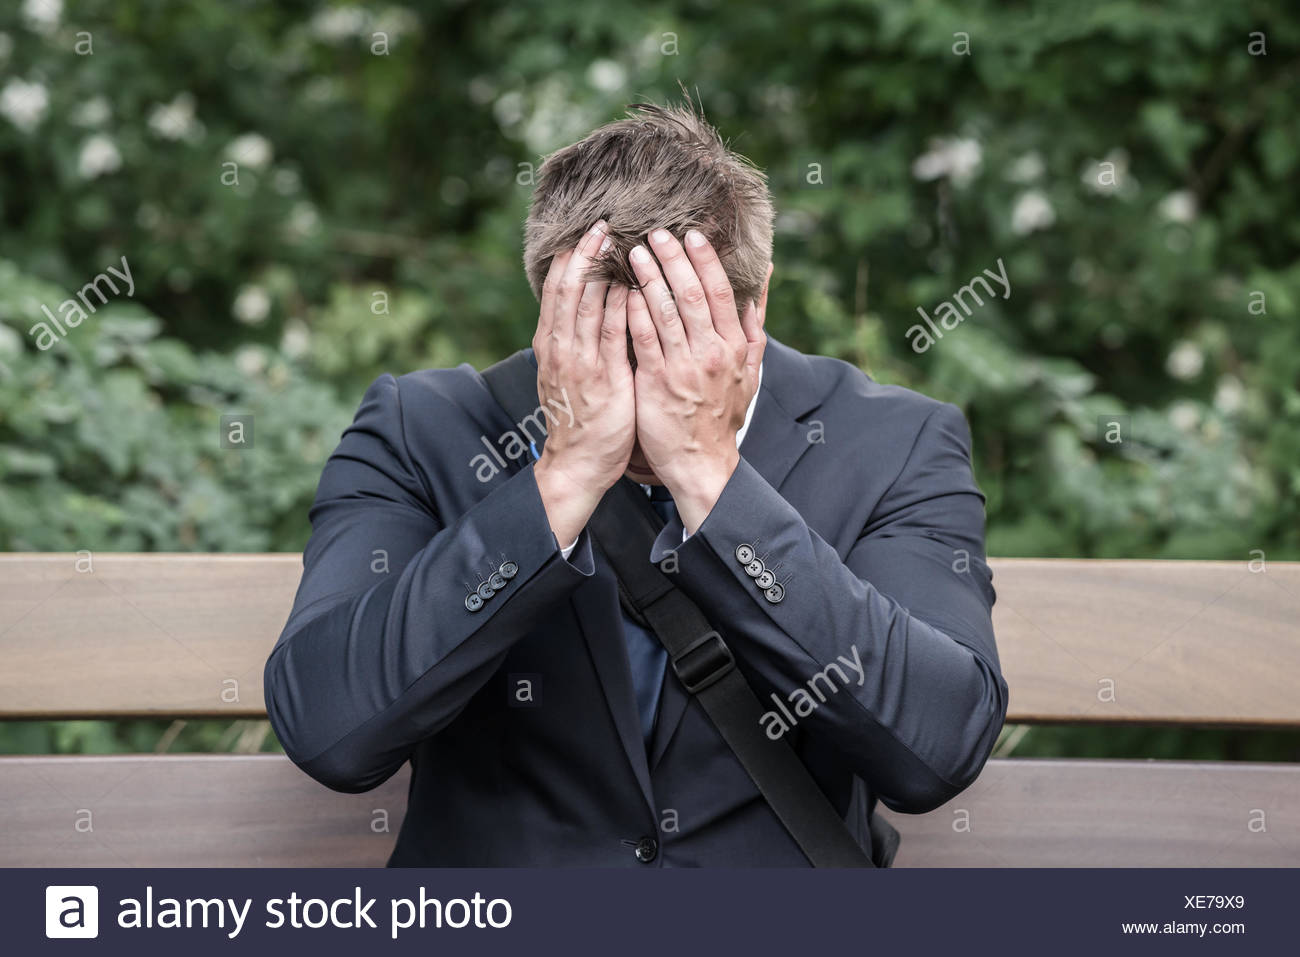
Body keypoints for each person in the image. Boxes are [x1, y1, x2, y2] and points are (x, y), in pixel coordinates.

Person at [263, 100, 1008, 867]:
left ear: (756, 307)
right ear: (545, 312)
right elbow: (330, 731)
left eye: (675, 348)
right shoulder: (422, 427)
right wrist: (563, 478)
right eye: (604, 351)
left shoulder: (893, 441)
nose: (641, 403)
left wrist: (712, 478)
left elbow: (936, 750)